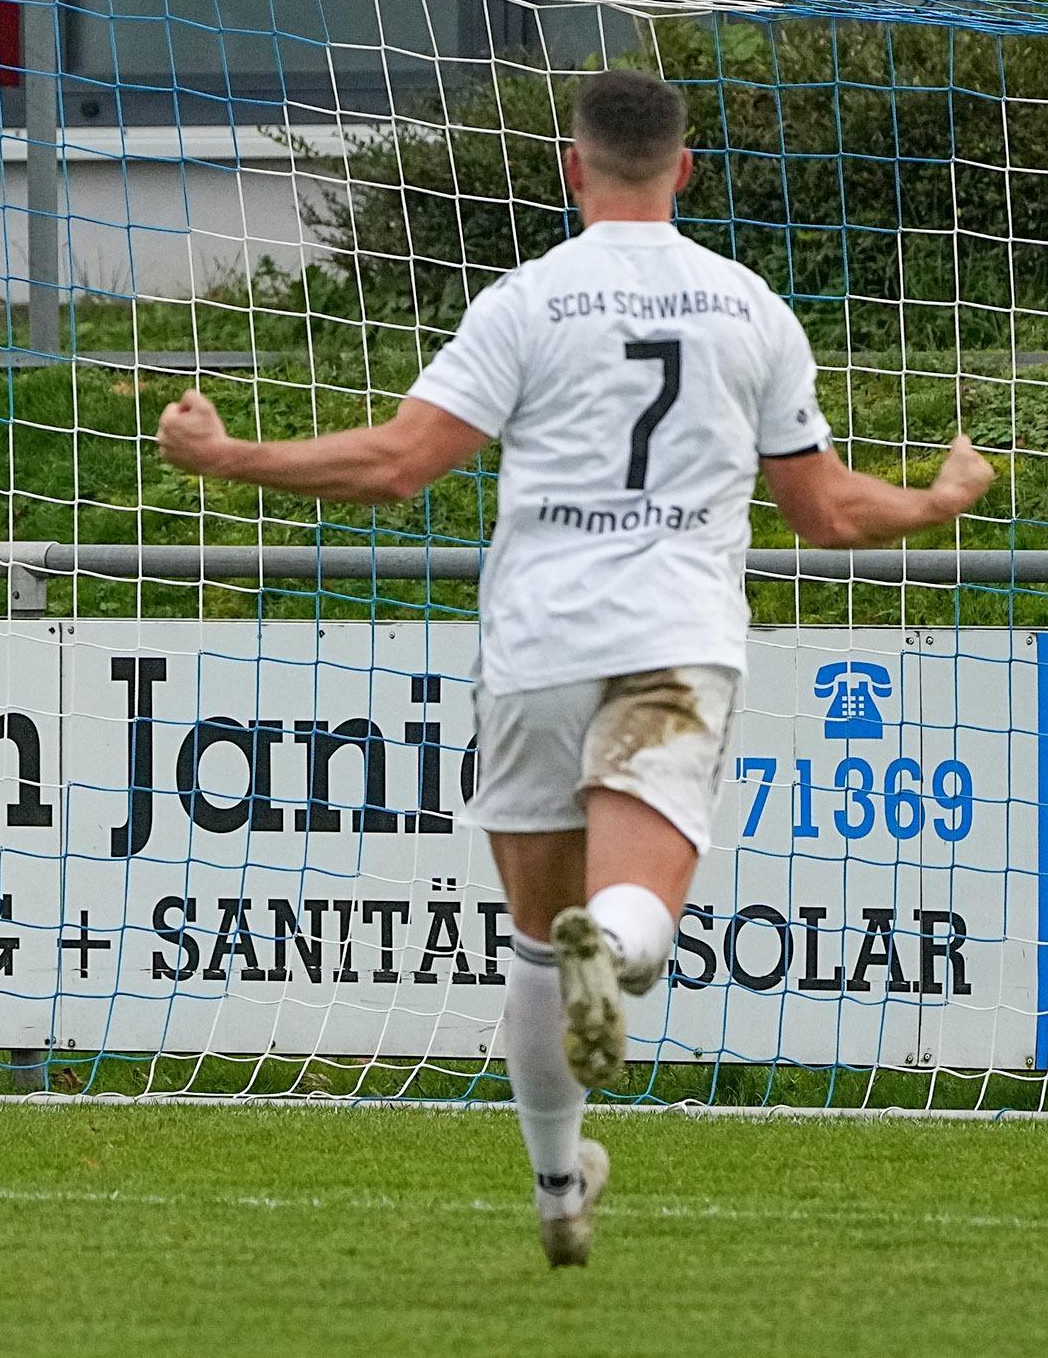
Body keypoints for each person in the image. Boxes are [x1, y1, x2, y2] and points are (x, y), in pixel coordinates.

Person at [155, 69, 995, 1267]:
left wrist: (229, 455)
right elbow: (826, 515)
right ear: (685, 169)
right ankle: (625, 943)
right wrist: (939, 496)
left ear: (570, 166)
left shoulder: (525, 302)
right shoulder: (747, 305)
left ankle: (559, 1185)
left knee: (539, 946)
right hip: (673, 639)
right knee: (631, 909)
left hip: (539, 645)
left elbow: (397, 462)